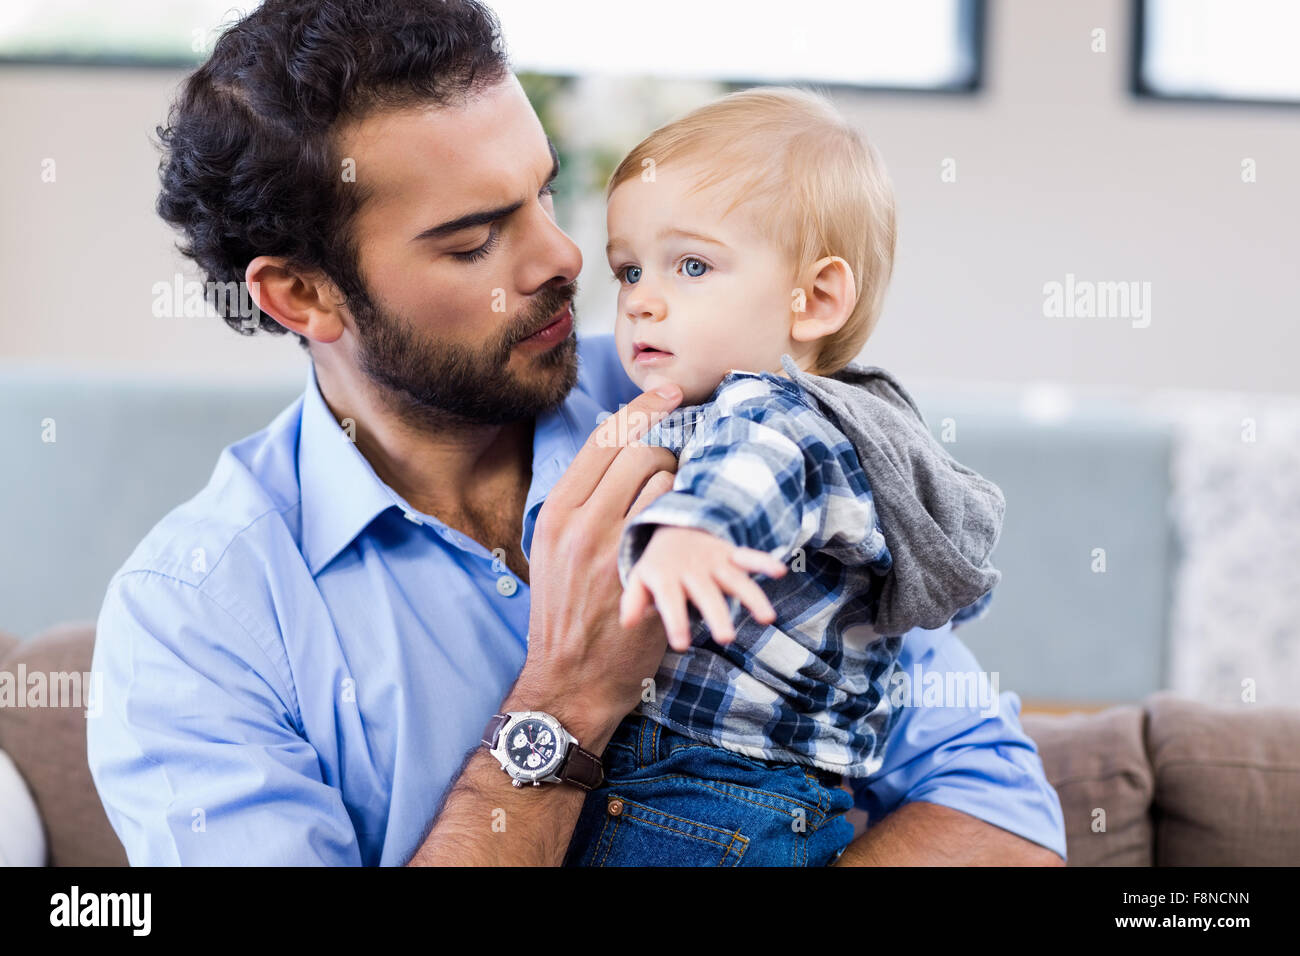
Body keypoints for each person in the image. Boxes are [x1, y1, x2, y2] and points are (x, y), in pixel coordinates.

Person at [87, 0, 1065, 866]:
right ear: (301, 293)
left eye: (544, 191)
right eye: (474, 239)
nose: (562, 255)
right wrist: (563, 701)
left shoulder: (719, 402)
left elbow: (1000, 813)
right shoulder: (196, 625)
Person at [563, 87, 1010, 866]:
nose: (641, 302)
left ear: (816, 300)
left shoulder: (771, 409)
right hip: (762, 793)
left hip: (700, 783)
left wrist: (691, 531)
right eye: (629, 270)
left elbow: (754, 473)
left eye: (692, 265)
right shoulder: (832, 422)